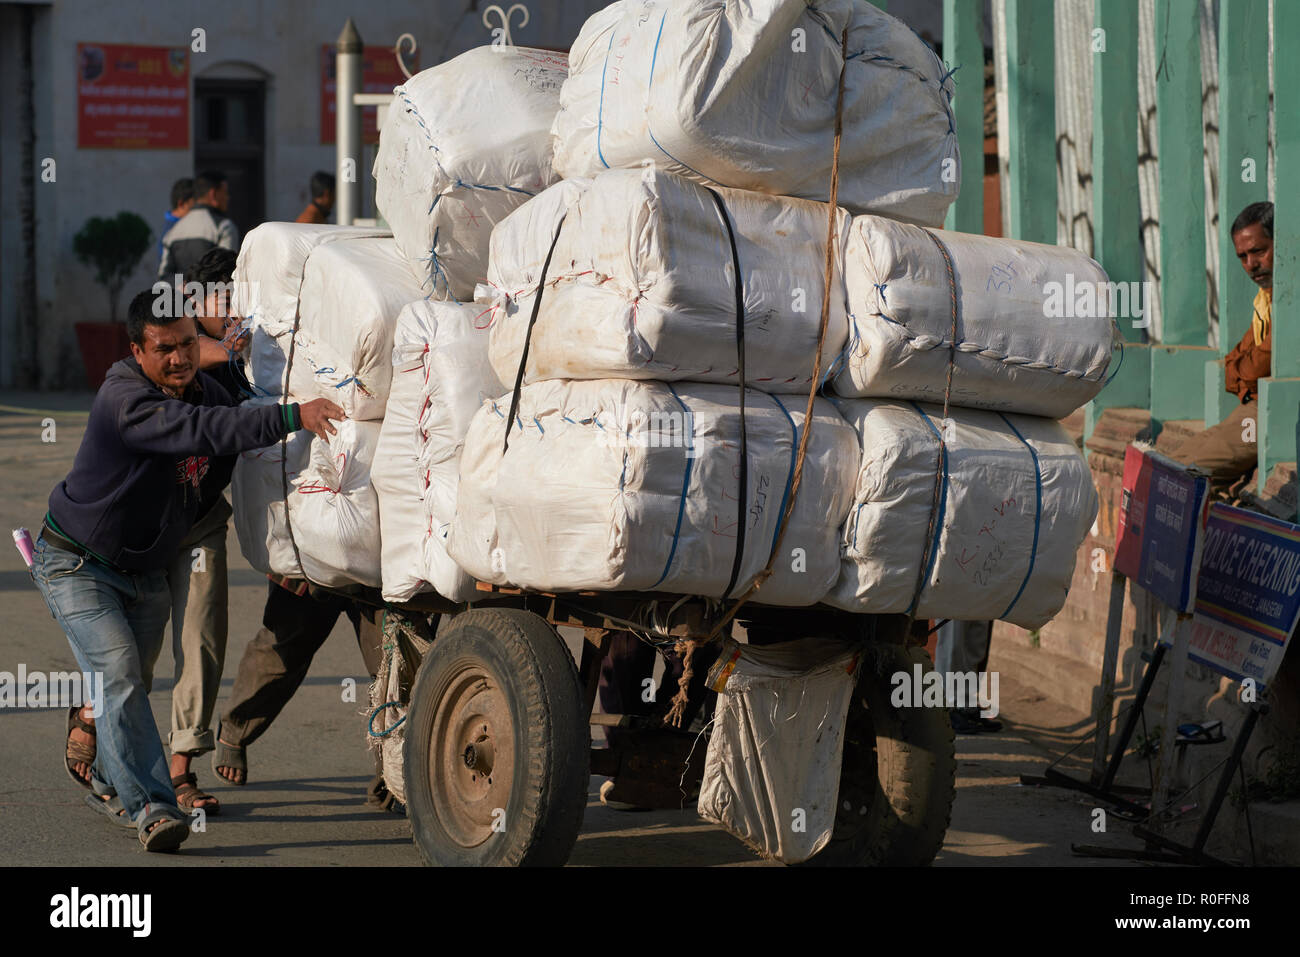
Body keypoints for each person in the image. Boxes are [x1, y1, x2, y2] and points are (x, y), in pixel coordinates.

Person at [38, 288, 344, 851]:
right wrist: (293, 416)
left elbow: (242, 416)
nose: (178, 359)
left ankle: (106, 774)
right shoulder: (126, 399)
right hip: (78, 564)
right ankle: (154, 806)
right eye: (164, 350)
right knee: (121, 675)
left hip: (145, 568)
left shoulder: (207, 386)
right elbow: (210, 431)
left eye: (186, 345)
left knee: (132, 679)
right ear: (137, 351)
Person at [163, 248, 254, 815]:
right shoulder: (169, 344)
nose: (238, 307)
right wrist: (226, 349)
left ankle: (180, 769)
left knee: (199, 638)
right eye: (228, 296)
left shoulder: (247, 349)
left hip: (199, 523)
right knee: (131, 653)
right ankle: (91, 716)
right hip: (139, 529)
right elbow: (204, 356)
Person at [1168, 201, 1275, 489]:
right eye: (1242, 256)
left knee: (1187, 477)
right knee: (1167, 464)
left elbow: (1253, 370)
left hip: (1271, 414)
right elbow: (1232, 368)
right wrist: (1245, 371)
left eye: (1259, 251)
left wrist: (1245, 371)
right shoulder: (1264, 300)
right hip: (1249, 409)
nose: (1251, 265)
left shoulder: (1288, 301)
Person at [159, 169, 240, 282]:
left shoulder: (173, 231)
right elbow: (227, 273)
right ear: (213, 194)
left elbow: (164, 277)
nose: (227, 197)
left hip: (178, 297)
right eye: (225, 192)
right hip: (211, 297)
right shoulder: (224, 227)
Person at [158, 177, 195, 265]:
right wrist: (181, 279)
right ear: (181, 204)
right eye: (195, 205)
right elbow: (173, 269)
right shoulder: (171, 232)